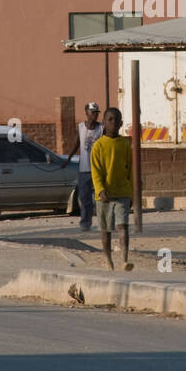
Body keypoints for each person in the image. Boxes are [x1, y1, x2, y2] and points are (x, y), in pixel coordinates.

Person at [89, 106, 133, 271]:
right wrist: (100, 190)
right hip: (105, 195)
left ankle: (124, 260)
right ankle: (107, 259)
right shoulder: (98, 146)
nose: (113, 123)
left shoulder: (125, 144)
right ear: (104, 123)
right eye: (110, 119)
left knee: (123, 226)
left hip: (122, 192)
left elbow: (130, 170)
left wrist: (132, 193)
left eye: (116, 120)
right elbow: (96, 172)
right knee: (106, 230)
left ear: (121, 124)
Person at [65, 102, 103, 231]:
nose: (95, 116)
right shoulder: (81, 127)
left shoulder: (101, 128)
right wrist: (68, 159)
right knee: (85, 197)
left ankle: (105, 223)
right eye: (93, 113)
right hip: (84, 169)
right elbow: (76, 144)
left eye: (96, 113)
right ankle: (85, 224)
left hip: (99, 169)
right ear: (86, 113)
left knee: (102, 197)